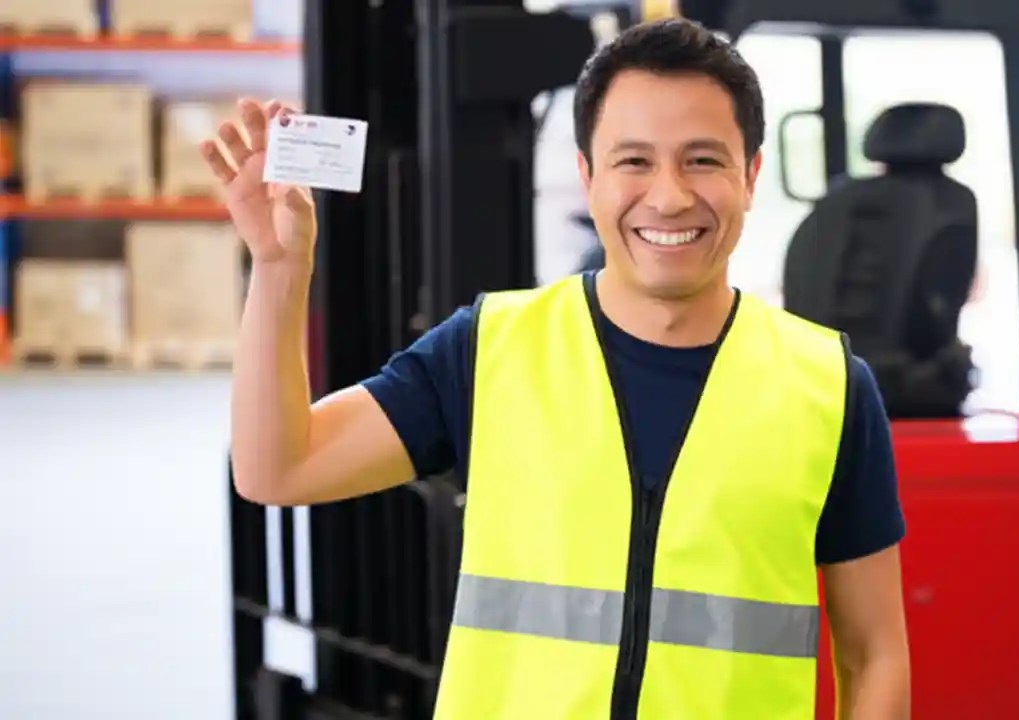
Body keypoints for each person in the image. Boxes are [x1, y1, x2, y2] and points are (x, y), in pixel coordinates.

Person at [203, 17, 909, 720]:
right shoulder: (489, 349)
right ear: (587, 176)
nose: (667, 196)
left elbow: (874, 654)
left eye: (702, 160)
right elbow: (277, 468)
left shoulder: (828, 387)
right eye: (634, 161)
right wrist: (277, 268)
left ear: (750, 175)